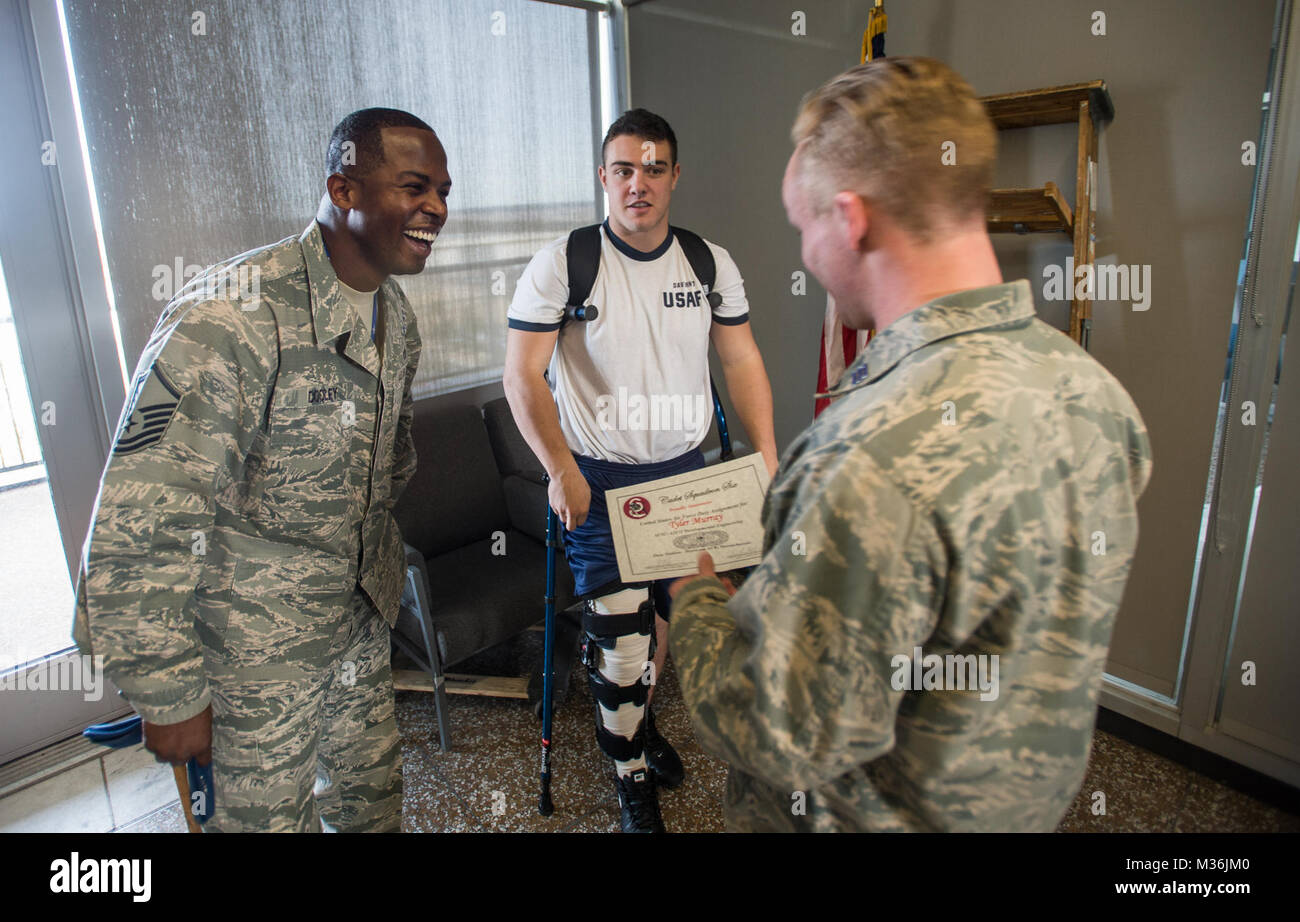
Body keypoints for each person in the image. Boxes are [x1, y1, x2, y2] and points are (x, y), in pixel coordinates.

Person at [667, 57, 1153, 832]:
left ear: (851, 220)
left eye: (804, 226)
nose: (803, 254)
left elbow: (783, 733)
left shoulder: (867, 456)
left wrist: (693, 605)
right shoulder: (1092, 391)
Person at [73, 107, 451, 832]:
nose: (436, 206)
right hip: (253, 651)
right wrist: (170, 691)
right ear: (343, 190)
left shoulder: (395, 316)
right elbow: (141, 516)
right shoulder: (232, 316)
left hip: (355, 622)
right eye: (414, 185)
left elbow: (389, 462)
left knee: (373, 805)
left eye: (443, 189)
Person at [504, 109, 778, 832]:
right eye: (624, 169)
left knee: (665, 627)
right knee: (620, 648)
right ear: (604, 177)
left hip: (687, 477)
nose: (639, 184)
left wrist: (769, 451)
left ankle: (637, 727)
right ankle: (630, 780)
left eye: (654, 169)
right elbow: (522, 377)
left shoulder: (709, 261)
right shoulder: (564, 263)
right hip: (599, 483)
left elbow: (741, 358)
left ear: (674, 177)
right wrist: (559, 469)